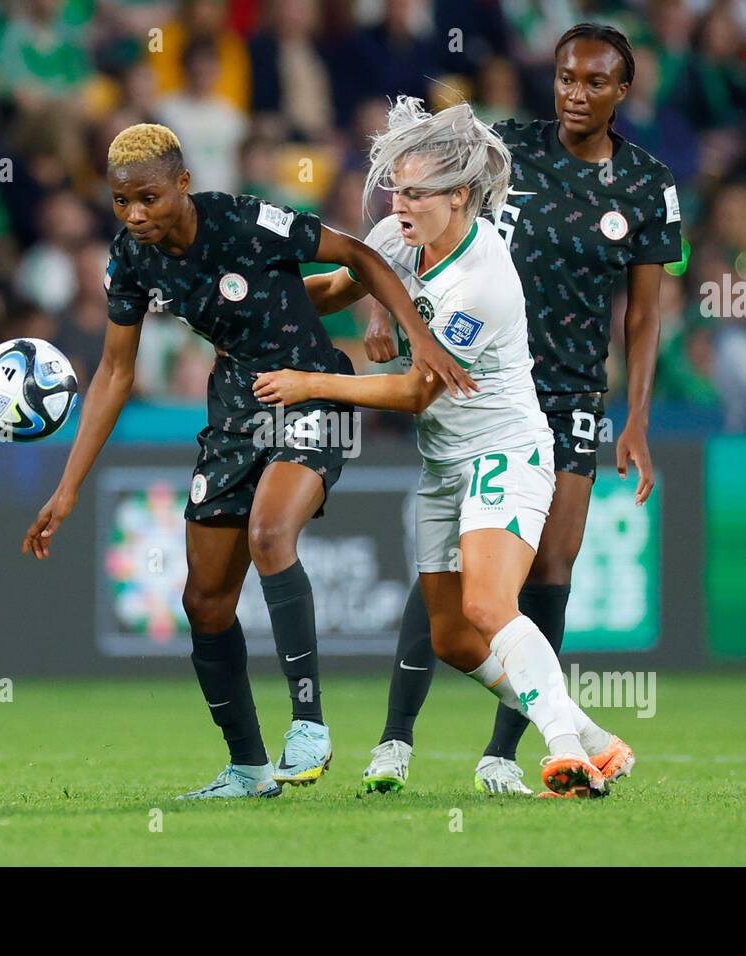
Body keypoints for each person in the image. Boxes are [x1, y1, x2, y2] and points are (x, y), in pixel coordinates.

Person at [21, 123, 474, 799]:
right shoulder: (132, 260)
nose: (135, 214)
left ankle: (311, 725)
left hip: (313, 389)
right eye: (121, 202)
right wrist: (68, 486)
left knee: (270, 532)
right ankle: (248, 769)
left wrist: (416, 335)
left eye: (147, 197)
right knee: (203, 602)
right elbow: (115, 373)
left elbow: (358, 256)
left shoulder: (245, 222)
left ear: (182, 184)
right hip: (235, 411)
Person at [304, 23, 678, 796]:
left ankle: (519, 750)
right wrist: (381, 309)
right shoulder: (501, 150)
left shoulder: (645, 185)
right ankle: (408, 740)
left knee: (535, 572)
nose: (574, 92)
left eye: (593, 82)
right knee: (457, 608)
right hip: (470, 391)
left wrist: (635, 418)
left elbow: (643, 315)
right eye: (565, 77)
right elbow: (388, 250)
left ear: (621, 91)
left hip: (561, 388)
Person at [253, 96, 622, 798]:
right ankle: (597, 738)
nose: (399, 201)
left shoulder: (480, 282)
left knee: (488, 606)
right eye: (395, 186)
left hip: (503, 450)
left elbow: (414, 393)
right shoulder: (401, 235)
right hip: (443, 463)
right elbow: (335, 286)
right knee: (454, 638)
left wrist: (310, 382)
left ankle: (567, 750)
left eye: (417, 191)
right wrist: (247, 298)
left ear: (460, 198)